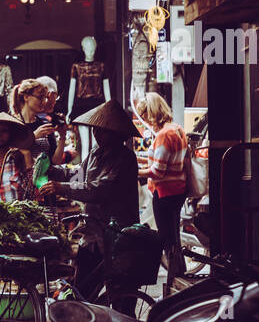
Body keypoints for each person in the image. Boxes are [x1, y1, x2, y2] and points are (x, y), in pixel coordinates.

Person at [36, 100, 140, 296]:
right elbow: (77, 175)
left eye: (103, 131)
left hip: (117, 236)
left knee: (120, 296)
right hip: (91, 235)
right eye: (96, 130)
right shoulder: (95, 154)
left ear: (117, 134)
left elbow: (99, 189)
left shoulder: (125, 159)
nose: (97, 135)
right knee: (83, 291)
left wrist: (61, 188)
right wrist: (53, 171)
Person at [135, 92, 188, 279]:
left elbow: (157, 171)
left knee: (167, 238)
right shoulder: (178, 129)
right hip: (178, 190)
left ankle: (175, 279)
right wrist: (139, 159)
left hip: (165, 192)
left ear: (152, 113)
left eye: (144, 117)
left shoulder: (164, 135)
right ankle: (180, 274)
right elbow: (166, 160)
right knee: (174, 237)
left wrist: (135, 171)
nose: (144, 122)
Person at [11, 78, 66, 166]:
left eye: (45, 98)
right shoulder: (13, 124)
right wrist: (33, 137)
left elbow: (55, 161)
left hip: (44, 177)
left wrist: (62, 138)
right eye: (40, 97)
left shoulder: (44, 123)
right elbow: (10, 154)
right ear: (26, 97)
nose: (44, 102)